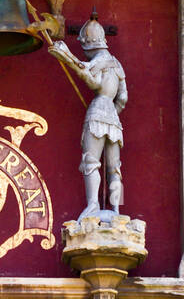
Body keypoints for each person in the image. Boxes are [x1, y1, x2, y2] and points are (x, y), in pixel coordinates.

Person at [49, 12, 128, 219]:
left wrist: (70, 60)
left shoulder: (97, 61)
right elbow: (123, 99)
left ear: (89, 45)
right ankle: (116, 210)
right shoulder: (117, 65)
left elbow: (94, 82)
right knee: (115, 169)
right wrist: (112, 113)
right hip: (114, 117)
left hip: (97, 112)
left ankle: (93, 204)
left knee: (90, 162)